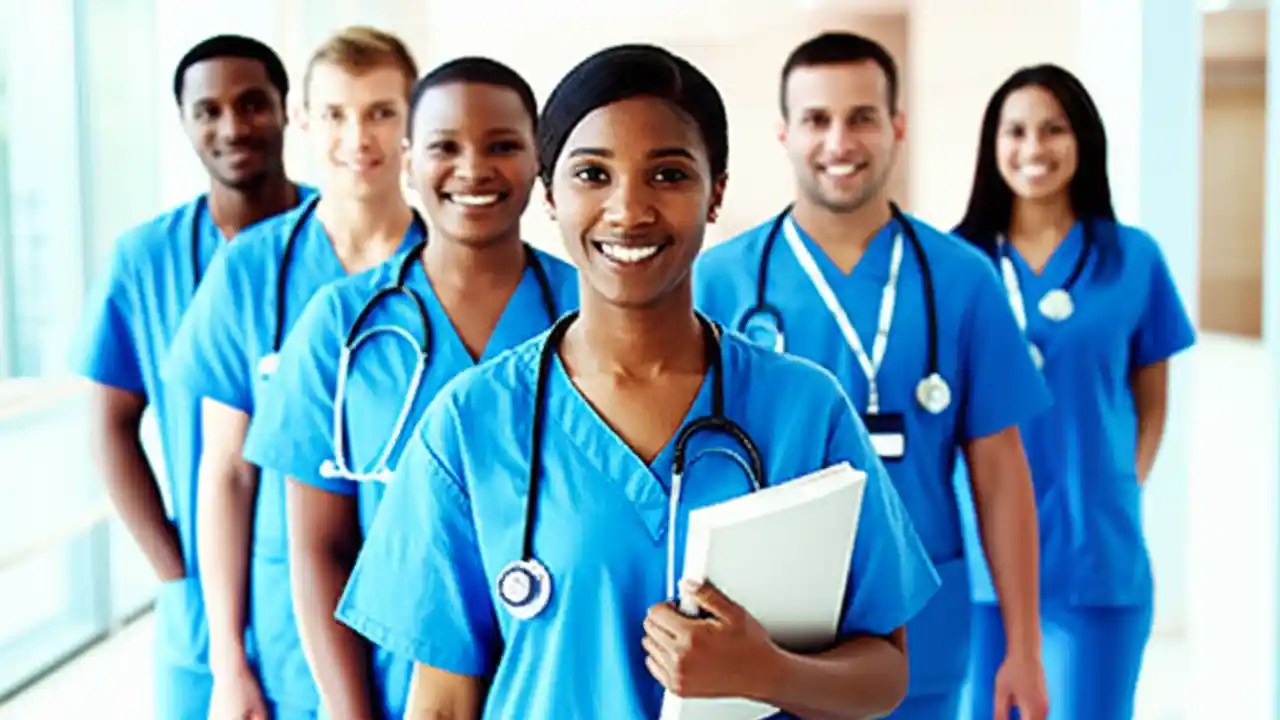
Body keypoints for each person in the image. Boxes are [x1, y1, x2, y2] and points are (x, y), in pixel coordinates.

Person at [334, 43, 940, 720]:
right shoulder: (473, 422)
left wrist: (768, 671)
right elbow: (443, 704)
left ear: (717, 193)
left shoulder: (803, 407)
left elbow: (885, 674)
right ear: (549, 193)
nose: (628, 210)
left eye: (669, 175)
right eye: (592, 174)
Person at [693, 32, 1052, 718]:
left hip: (922, 626)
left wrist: (1025, 646)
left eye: (861, 117)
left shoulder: (961, 279)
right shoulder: (723, 279)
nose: (839, 141)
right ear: (784, 133)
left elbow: (1001, 472)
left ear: (897, 127)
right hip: (763, 631)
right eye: (817, 120)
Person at [240, 57, 579, 719]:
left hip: (555, 686)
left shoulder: (588, 312)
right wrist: (351, 712)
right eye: (444, 147)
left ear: (539, 159)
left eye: (503, 146)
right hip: (393, 693)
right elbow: (318, 547)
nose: (473, 169)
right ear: (407, 159)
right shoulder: (341, 324)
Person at [164, 27, 423, 720]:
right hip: (286, 642)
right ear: (303, 122)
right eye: (335, 114)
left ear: (412, 124)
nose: (357, 137)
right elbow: (227, 474)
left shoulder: (455, 273)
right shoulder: (252, 271)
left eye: (380, 112)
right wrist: (227, 660)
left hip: (427, 632)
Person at [71, 34, 310, 720]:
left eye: (253, 104)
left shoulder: (340, 243)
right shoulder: (145, 259)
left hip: (320, 592)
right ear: (183, 122)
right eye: (207, 110)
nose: (232, 126)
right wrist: (176, 572)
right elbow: (111, 426)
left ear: (286, 110)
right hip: (203, 607)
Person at [953, 63, 1196, 720]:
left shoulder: (1132, 259)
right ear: (992, 144)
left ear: (1082, 139)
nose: (1034, 149)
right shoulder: (956, 263)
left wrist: (1120, 484)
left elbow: (1152, 404)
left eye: (1053, 129)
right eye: (1017, 131)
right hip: (981, 566)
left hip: (1098, 557)